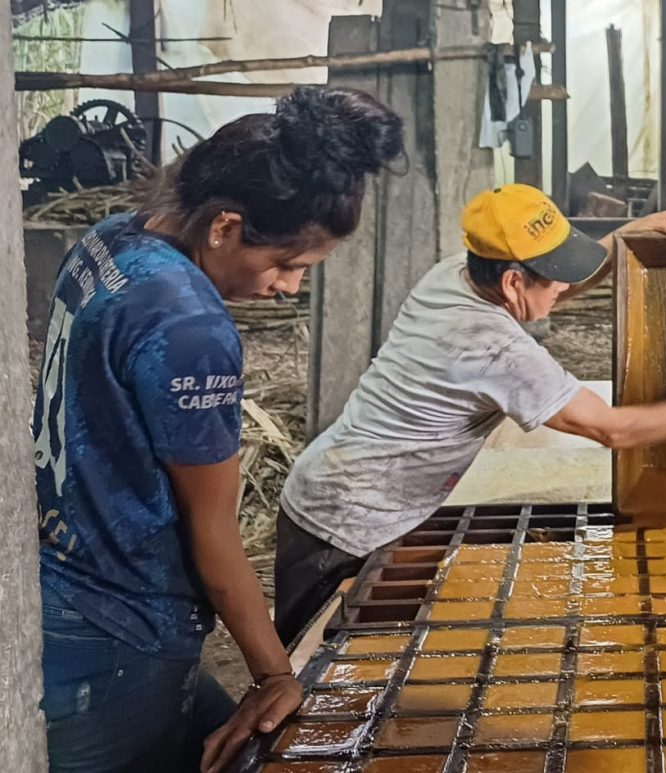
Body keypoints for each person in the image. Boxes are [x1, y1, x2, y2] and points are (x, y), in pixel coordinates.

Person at [33, 86, 403, 772]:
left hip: (61, 566)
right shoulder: (190, 326)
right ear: (225, 226)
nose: (289, 287)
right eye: (287, 265)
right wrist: (274, 673)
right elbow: (215, 535)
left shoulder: (109, 237)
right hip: (118, 618)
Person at [274, 183, 666, 645]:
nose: (564, 288)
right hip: (342, 522)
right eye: (555, 275)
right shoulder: (494, 349)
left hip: (343, 482)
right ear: (511, 281)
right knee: (317, 663)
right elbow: (614, 430)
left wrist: (626, 237)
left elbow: (541, 295)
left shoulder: (454, 274)